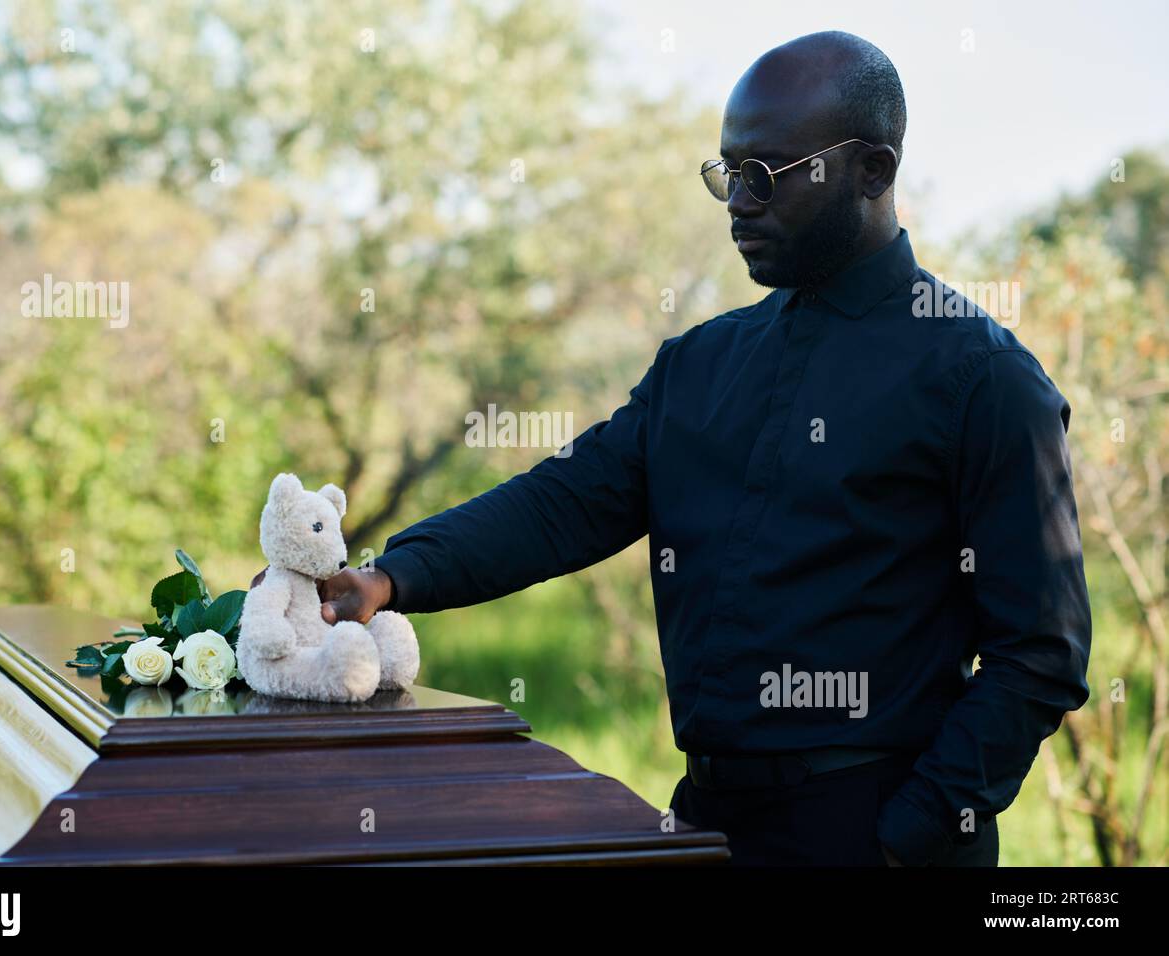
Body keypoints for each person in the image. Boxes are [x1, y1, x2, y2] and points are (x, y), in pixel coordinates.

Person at [261, 31, 1092, 866]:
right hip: (704, 821)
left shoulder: (982, 377)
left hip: (877, 828)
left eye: (766, 175)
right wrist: (391, 576)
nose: (738, 200)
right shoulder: (701, 362)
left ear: (872, 172)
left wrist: (914, 830)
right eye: (728, 172)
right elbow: (565, 504)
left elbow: (1041, 651)